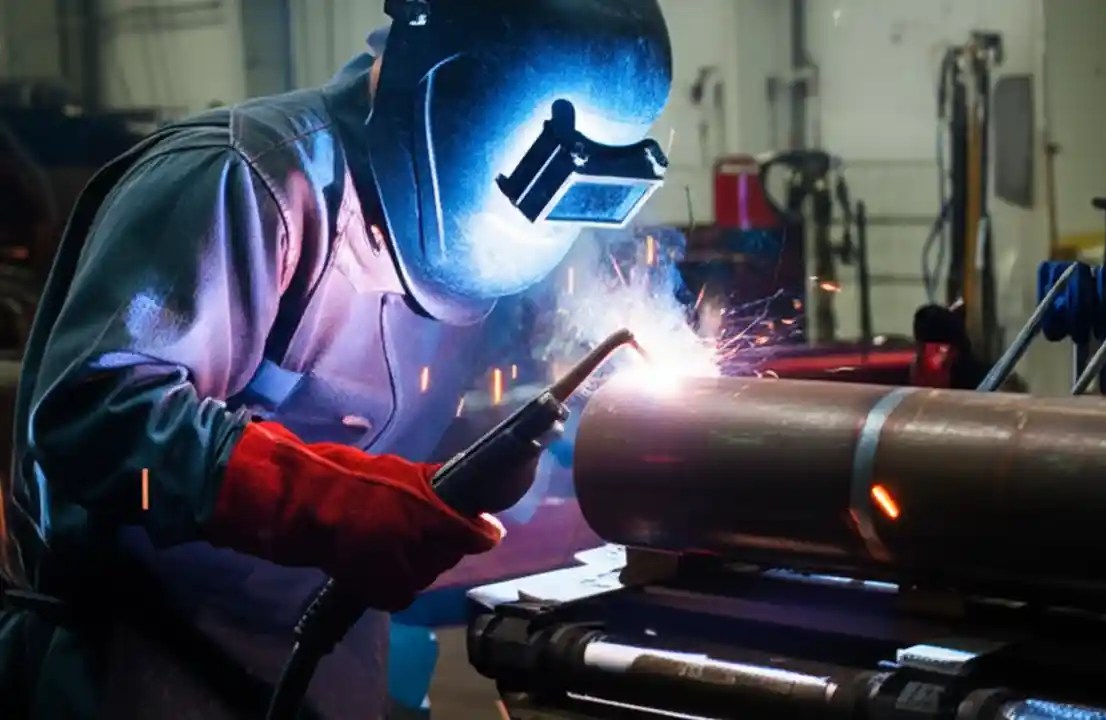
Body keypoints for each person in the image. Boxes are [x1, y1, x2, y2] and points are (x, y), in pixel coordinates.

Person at [0, 1, 673, 718]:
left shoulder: (492, 235)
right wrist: (337, 500)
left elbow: (388, 417)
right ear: (456, 95)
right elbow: (96, 419)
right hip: (127, 672)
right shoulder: (248, 178)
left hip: (320, 667)